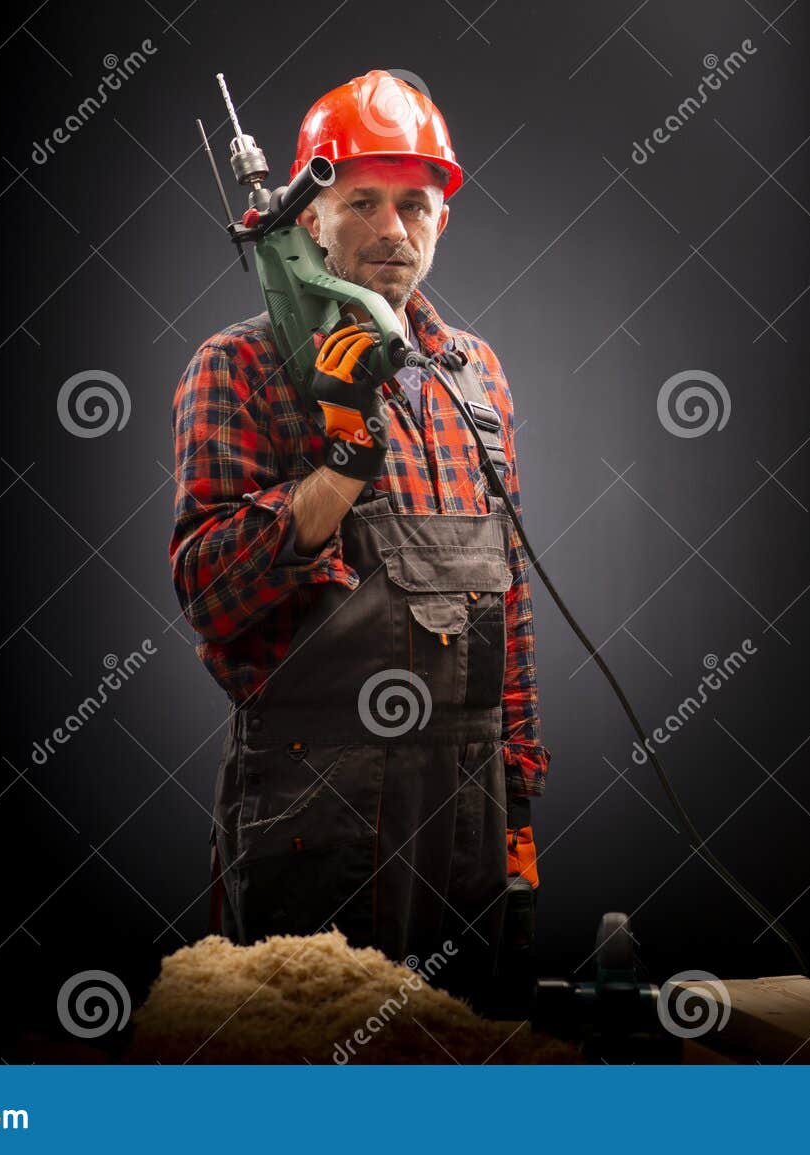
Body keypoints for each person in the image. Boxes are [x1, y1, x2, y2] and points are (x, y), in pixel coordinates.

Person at [169, 70, 548, 996]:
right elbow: (211, 594)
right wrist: (341, 461)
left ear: (442, 221)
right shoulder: (242, 366)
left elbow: (511, 594)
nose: (392, 230)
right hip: (315, 802)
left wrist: (523, 798)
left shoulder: (475, 375)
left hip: (469, 804)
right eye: (362, 202)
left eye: (414, 205)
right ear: (306, 218)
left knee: (469, 1078)